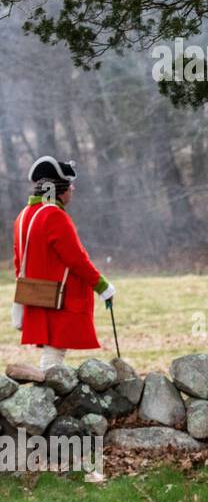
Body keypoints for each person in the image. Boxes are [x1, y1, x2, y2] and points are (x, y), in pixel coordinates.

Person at [12, 156, 114, 370]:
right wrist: (102, 286)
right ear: (58, 189)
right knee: (54, 355)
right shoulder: (54, 216)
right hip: (59, 299)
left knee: (52, 353)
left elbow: (18, 261)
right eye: (69, 185)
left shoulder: (23, 216)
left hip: (35, 295)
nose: (73, 189)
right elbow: (76, 259)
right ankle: (48, 399)